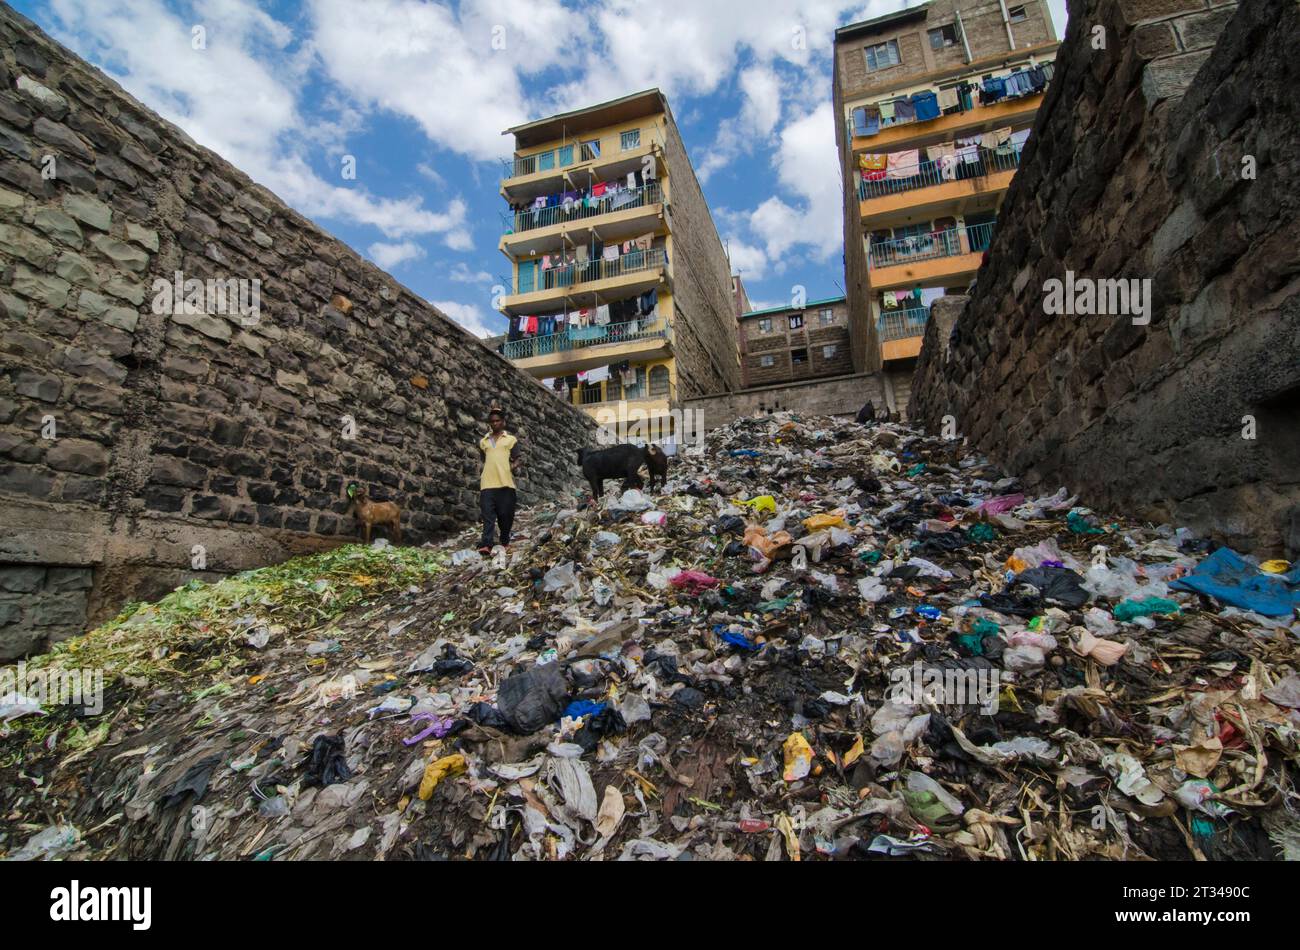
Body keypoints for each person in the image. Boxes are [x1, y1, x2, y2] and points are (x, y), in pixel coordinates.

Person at [478, 408, 522, 554]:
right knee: (488, 516)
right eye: (492, 421)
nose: (495, 423)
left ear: (503, 422)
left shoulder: (511, 440)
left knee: (505, 516)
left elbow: (517, 459)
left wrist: (510, 467)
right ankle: (486, 544)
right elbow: (484, 460)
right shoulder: (483, 442)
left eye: (497, 421)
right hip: (487, 484)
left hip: (506, 484)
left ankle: (504, 542)